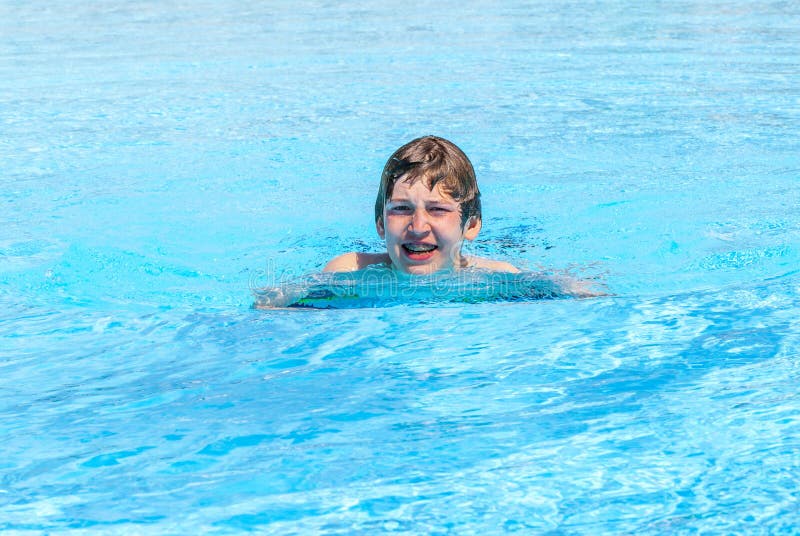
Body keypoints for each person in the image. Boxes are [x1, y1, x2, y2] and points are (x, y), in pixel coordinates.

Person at [324, 135, 519, 275]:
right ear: (381, 224)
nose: (418, 228)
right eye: (401, 209)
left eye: (437, 209)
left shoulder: (499, 278)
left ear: (471, 225)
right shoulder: (349, 272)